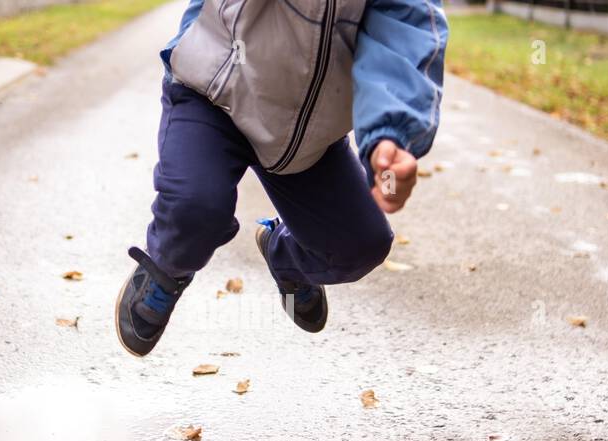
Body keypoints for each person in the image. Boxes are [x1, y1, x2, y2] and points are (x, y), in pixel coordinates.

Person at [116, 0, 448, 356]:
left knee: (363, 246)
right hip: (213, 91)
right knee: (195, 210)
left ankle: (285, 258)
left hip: (305, 131)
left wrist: (390, 132)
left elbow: (403, 28)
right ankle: (167, 269)